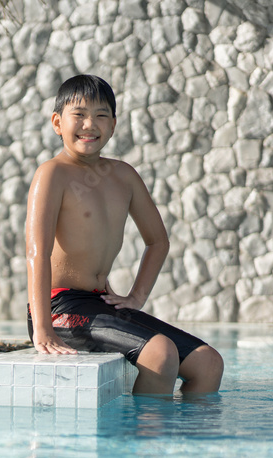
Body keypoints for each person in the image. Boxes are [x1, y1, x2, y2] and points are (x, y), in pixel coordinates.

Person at [25, 74, 223, 395]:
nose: (90, 124)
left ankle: (186, 443)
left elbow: (158, 242)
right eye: (79, 115)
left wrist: (136, 298)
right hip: (59, 307)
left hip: (100, 302)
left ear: (113, 125)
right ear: (57, 123)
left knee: (208, 363)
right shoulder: (53, 173)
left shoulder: (123, 175)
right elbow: (38, 253)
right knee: (160, 353)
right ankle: (140, 442)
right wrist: (44, 328)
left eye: (101, 115)